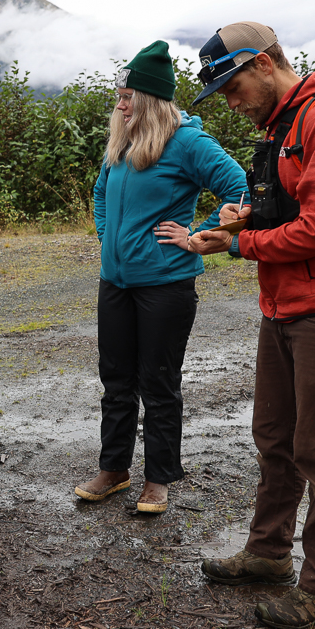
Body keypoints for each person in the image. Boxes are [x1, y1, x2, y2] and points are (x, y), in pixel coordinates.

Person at [189, 22, 315, 629]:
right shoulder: (283, 125)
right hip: (284, 308)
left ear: (266, 64)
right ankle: (268, 554)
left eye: (234, 87)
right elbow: (294, 209)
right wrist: (245, 213)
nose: (231, 102)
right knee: (275, 438)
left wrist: (238, 243)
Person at [75, 41, 247, 514]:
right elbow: (101, 193)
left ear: (150, 98)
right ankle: (114, 470)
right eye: (118, 93)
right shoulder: (123, 140)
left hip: (166, 285)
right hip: (116, 283)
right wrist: (110, 237)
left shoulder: (188, 141)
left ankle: (158, 480)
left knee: (158, 382)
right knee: (116, 380)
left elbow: (240, 187)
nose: (120, 102)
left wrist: (201, 235)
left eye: (128, 94)